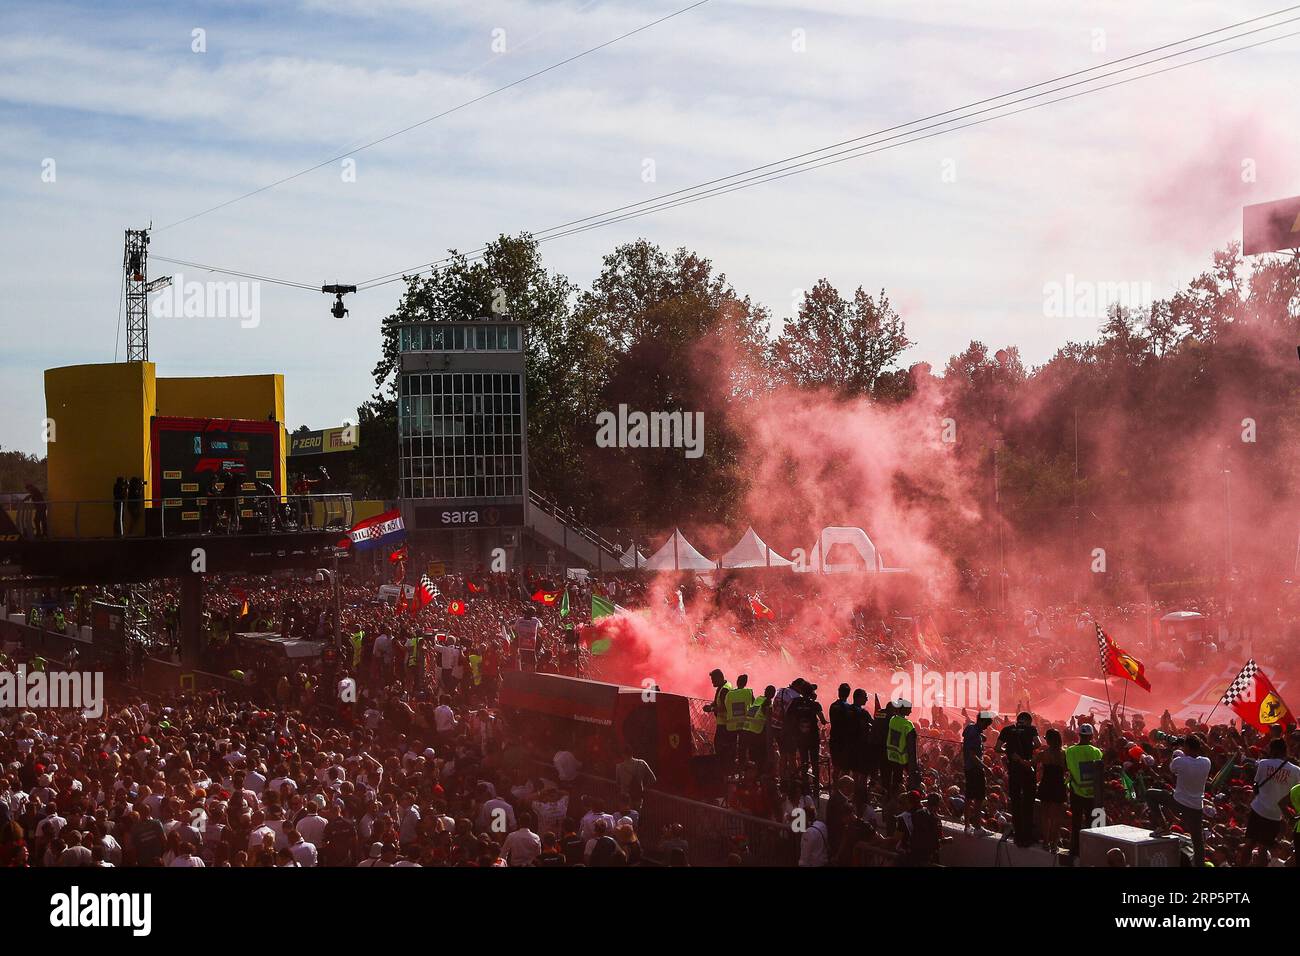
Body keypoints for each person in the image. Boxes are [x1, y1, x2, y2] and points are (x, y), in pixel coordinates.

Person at [1145, 734, 1210, 866]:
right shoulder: (1206, 762)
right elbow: (1201, 753)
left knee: (1150, 794)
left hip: (1178, 802)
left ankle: (1163, 826)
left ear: (1186, 747)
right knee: (1198, 841)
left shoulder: (1180, 761)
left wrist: (1173, 747)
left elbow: (1171, 770)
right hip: (1196, 807)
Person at [1242, 737, 1300, 866]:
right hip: (1275, 814)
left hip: (1258, 809)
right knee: (1263, 849)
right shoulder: (1296, 771)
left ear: (1273, 750)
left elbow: (1256, 785)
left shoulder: (1263, 763)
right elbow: (1294, 793)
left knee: (1249, 844)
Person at [997, 711, 1040, 846]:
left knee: (1015, 802)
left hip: (1014, 770)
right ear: (1028, 721)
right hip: (1027, 770)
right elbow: (1038, 744)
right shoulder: (1031, 729)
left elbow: (997, 747)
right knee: (1028, 803)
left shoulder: (1007, 730)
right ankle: (1027, 835)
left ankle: (1018, 835)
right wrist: (1028, 747)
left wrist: (1008, 751)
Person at [1065, 724, 1103, 861]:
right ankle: (1091, 850)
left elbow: (1068, 767)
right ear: (1092, 736)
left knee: (1076, 822)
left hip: (1076, 791)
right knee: (1092, 823)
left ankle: (1074, 850)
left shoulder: (1070, 751)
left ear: (1079, 735)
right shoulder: (1097, 751)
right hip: (1093, 794)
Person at [1035, 728, 1068, 852]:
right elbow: (1067, 770)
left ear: (1049, 740)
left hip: (1046, 785)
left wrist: (1019, 759)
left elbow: (1031, 764)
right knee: (1056, 817)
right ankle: (1054, 844)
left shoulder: (1043, 753)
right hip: (1058, 785)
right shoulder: (1064, 753)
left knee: (1045, 816)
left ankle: (1046, 842)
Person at [882, 698, 916, 797]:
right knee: (899, 782)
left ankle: (890, 798)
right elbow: (911, 747)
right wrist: (913, 765)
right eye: (909, 708)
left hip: (891, 755)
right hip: (902, 758)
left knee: (892, 781)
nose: (911, 711)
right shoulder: (908, 725)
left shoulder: (893, 720)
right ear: (904, 709)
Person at [704, 669, 735, 770]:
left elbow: (725, 707)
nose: (712, 682)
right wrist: (711, 705)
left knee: (720, 746)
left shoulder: (725, 690)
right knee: (723, 747)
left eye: (713, 679)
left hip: (725, 724)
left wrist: (712, 708)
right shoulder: (722, 687)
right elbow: (717, 702)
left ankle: (724, 768)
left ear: (719, 678)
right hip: (724, 723)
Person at [723, 675, 755, 769]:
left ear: (737, 682)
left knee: (731, 747)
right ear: (745, 683)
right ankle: (742, 765)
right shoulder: (748, 692)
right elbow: (754, 704)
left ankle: (731, 765)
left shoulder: (729, 694)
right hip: (744, 725)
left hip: (731, 725)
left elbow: (726, 705)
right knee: (743, 747)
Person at [828, 683, 857, 780]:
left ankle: (835, 788)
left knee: (836, 767)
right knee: (845, 769)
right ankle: (844, 790)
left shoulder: (832, 705)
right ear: (848, 694)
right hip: (844, 742)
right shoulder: (848, 708)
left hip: (834, 739)